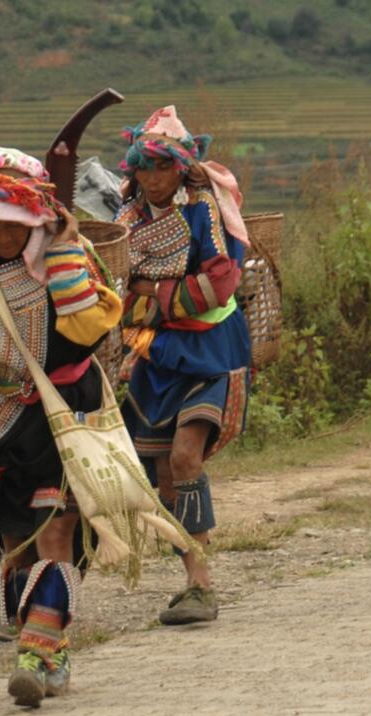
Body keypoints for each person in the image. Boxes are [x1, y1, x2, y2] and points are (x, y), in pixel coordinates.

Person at [0, 146, 121, 706]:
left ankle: (37, 655)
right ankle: (48, 646)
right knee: (16, 543)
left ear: (39, 216)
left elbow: (92, 326)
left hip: (70, 410)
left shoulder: (74, 252)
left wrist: (63, 252)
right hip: (5, 418)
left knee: (56, 530)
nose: (0, 232)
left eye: (13, 222)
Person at [114, 106, 252, 625]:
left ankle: (201, 584)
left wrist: (152, 290)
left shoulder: (203, 210)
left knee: (186, 456)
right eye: (142, 168)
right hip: (154, 351)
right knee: (165, 476)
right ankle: (193, 575)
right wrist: (144, 297)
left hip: (210, 349)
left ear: (181, 169)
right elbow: (115, 286)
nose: (151, 178)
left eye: (161, 168)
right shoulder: (126, 221)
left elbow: (220, 280)